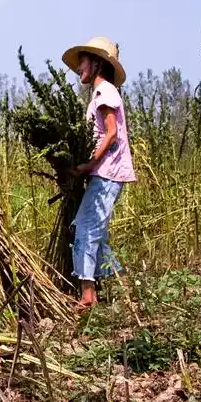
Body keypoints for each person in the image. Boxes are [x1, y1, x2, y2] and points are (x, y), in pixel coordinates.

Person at [61, 36, 136, 308]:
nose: (79, 67)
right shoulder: (100, 94)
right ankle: (122, 290)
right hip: (105, 172)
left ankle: (87, 295)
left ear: (96, 63)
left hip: (107, 173)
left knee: (85, 227)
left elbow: (112, 133)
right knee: (99, 234)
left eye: (83, 61)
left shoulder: (106, 93)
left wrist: (87, 165)